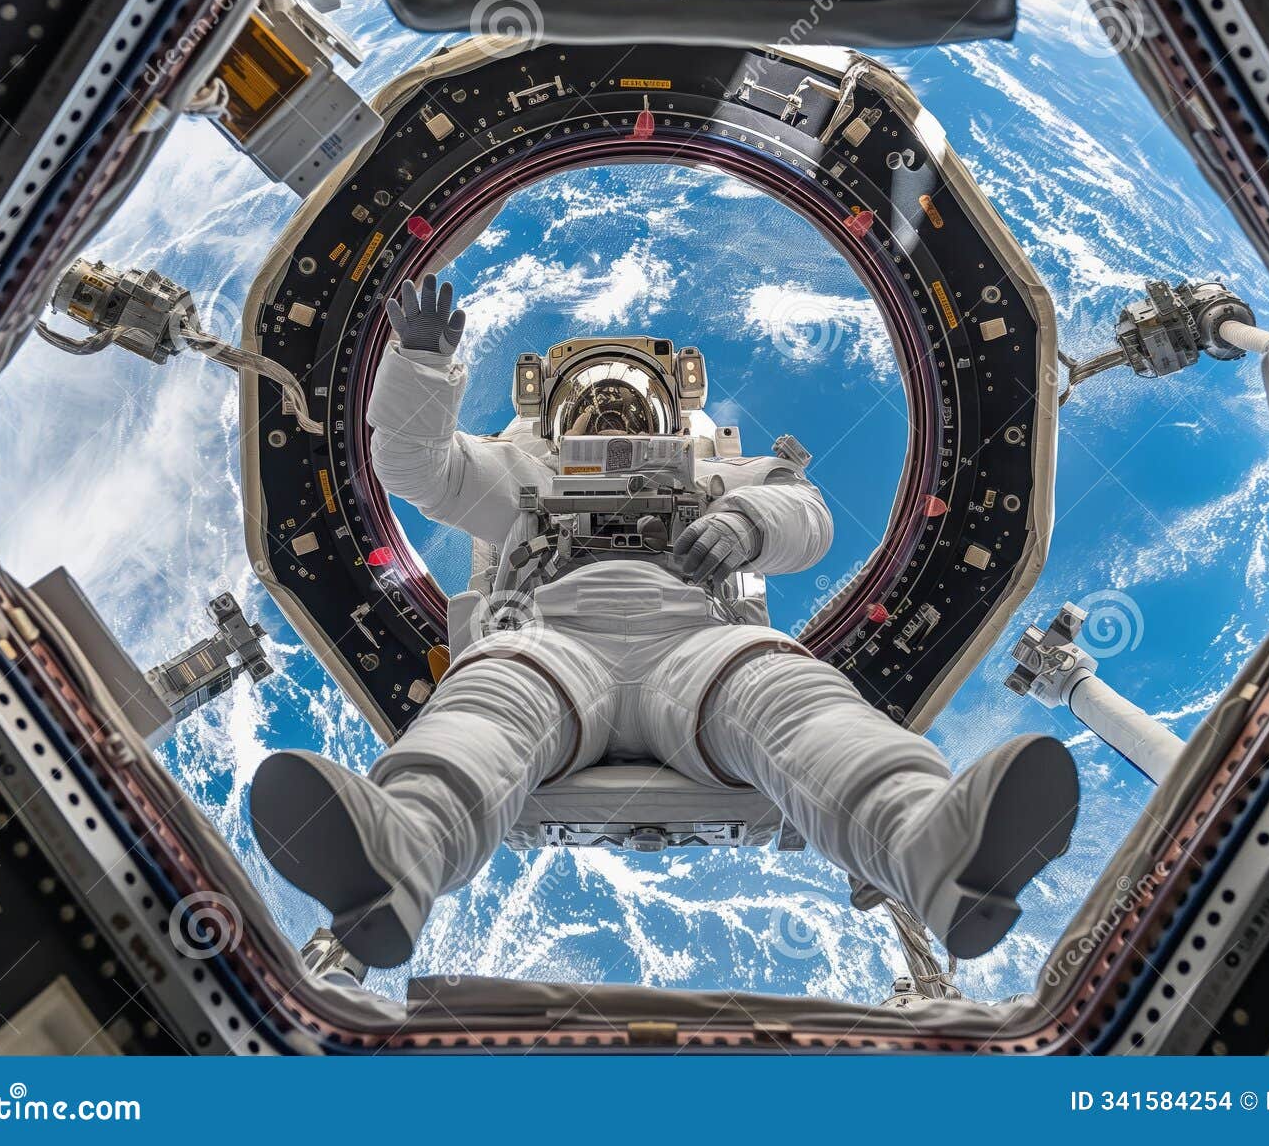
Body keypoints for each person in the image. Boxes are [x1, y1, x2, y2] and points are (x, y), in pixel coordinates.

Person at [251, 274, 1079, 968]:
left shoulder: (722, 474)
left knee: (785, 695)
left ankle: (931, 843)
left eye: (624, 402)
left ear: (660, 413)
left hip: (695, 641)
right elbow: (414, 464)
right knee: (494, 699)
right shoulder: (518, 470)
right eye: (596, 404)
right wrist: (421, 367)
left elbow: (807, 516)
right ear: (565, 418)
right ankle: (403, 847)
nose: (610, 417)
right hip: (555, 638)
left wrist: (745, 521)